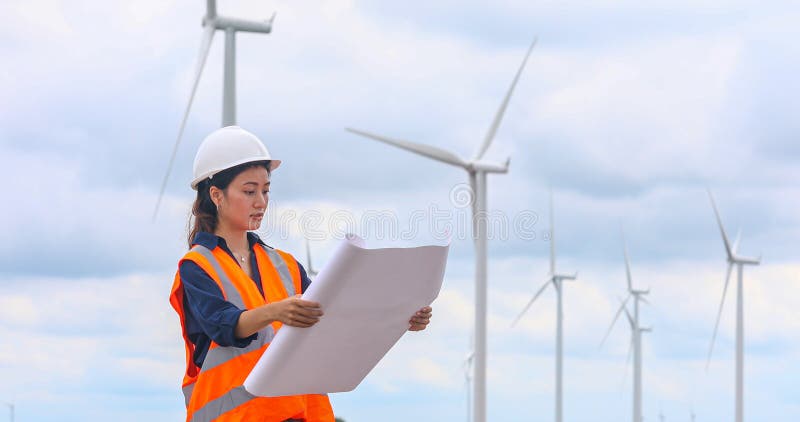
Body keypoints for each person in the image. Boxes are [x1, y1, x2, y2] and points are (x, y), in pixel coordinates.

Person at [169, 126, 434, 422]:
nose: (261, 201)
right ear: (216, 195)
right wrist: (278, 311)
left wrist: (400, 318)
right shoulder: (197, 265)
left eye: (266, 190)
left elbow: (333, 318)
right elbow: (223, 325)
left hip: (299, 414)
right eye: (249, 191)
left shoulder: (285, 265)